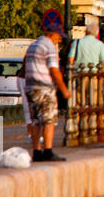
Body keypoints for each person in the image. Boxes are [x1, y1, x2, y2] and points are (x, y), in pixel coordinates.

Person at [24, 12, 70, 162]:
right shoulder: (49, 46)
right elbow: (54, 70)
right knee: (49, 119)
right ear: (52, 34)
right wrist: (63, 89)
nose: (59, 39)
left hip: (30, 87)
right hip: (44, 88)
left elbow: (24, 68)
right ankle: (48, 150)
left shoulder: (33, 45)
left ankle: (36, 151)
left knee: (36, 120)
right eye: (58, 36)